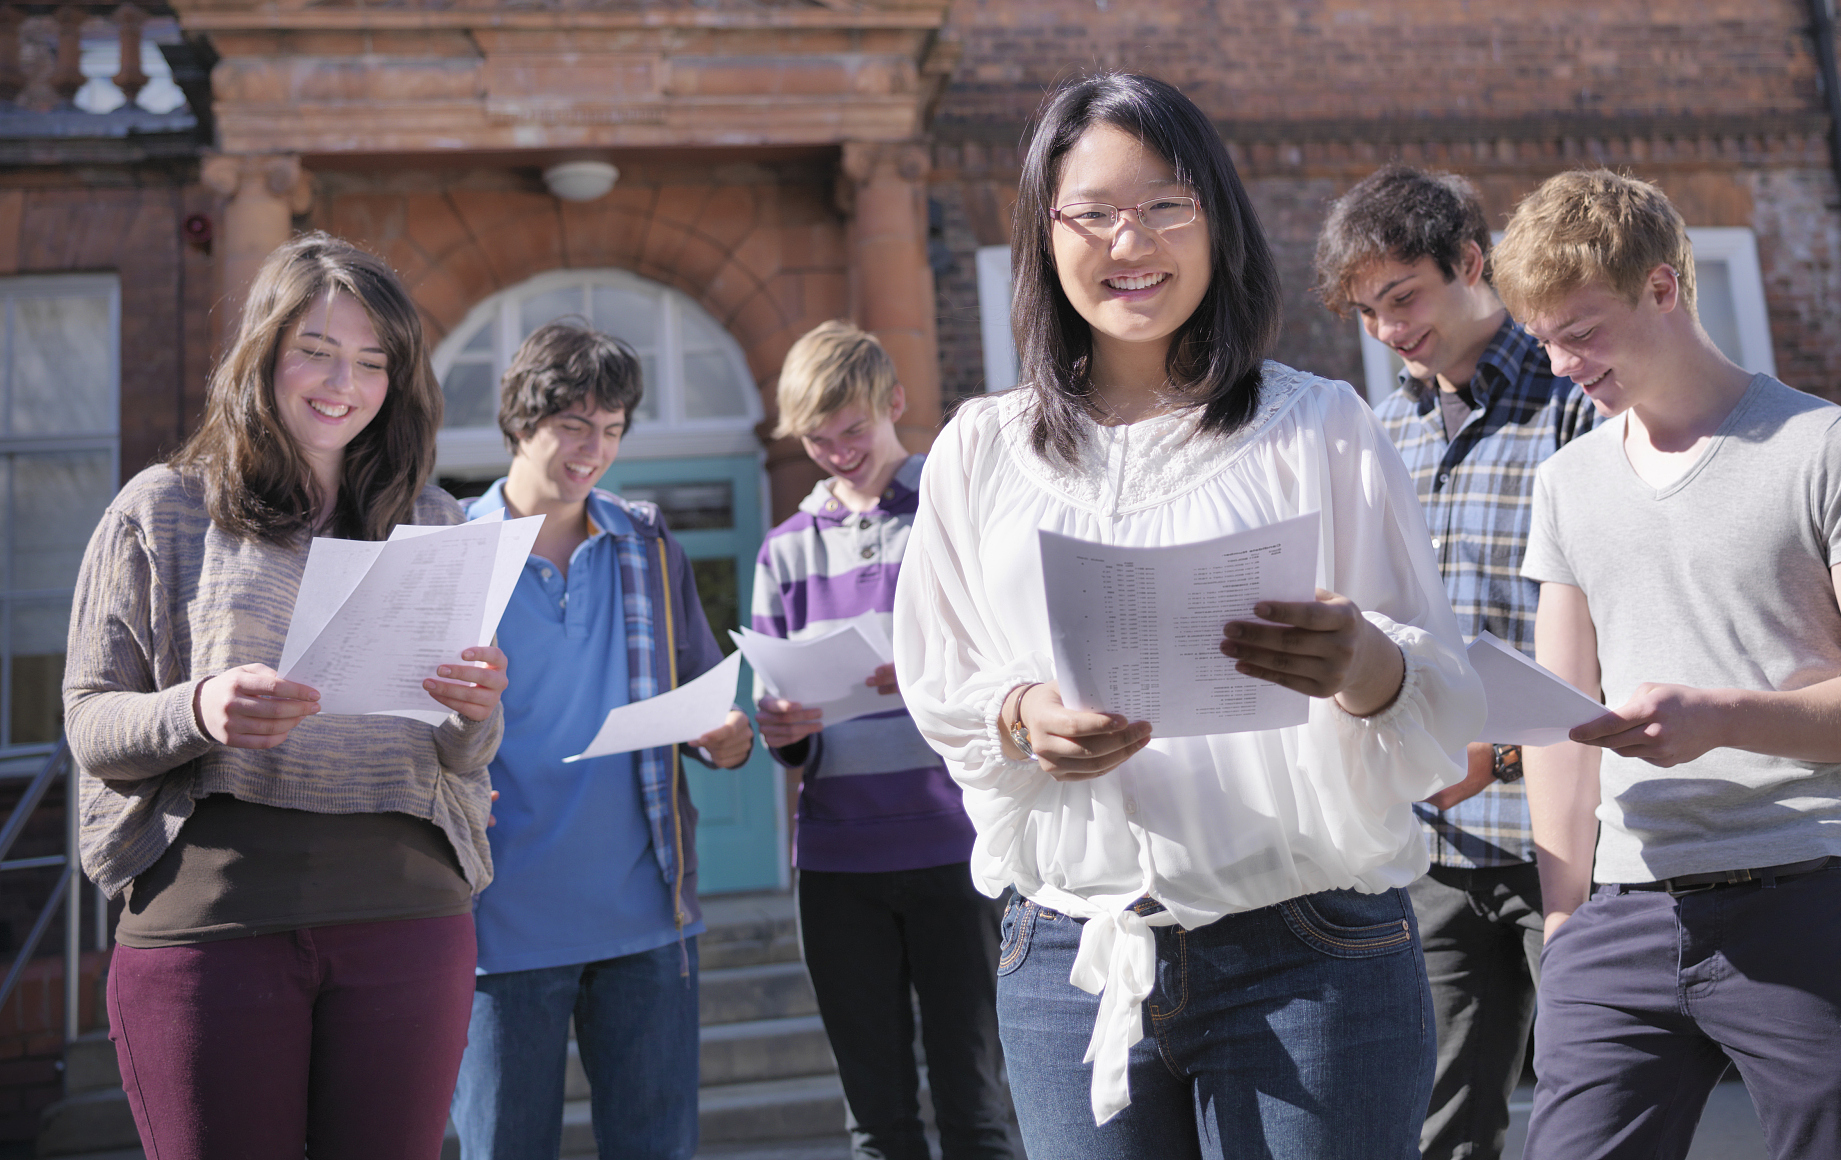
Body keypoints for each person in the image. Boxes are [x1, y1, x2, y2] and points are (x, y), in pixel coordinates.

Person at [894, 72, 1484, 1159]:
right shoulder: (980, 451)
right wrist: (1024, 714)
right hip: (1068, 962)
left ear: (1216, 221)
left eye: (1167, 204)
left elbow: (1440, 695)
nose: (1132, 240)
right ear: (1043, 231)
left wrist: (1362, 664)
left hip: (1310, 950)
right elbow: (942, 679)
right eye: (1094, 211)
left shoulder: (1318, 427)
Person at [1492, 170, 1841, 1160]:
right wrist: (1561, 915)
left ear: (1661, 289)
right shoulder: (1566, 485)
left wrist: (1720, 716)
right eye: (1543, 342)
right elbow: (1559, 722)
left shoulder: (1828, 449)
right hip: (1616, 912)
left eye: (1581, 330)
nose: (1563, 364)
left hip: (1807, 889)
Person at [64, 233, 508, 1160]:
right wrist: (198, 709)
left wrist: (477, 709)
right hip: (213, 923)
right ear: (263, 352)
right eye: (315, 349)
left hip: (409, 915)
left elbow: (465, 755)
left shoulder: (434, 519)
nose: (342, 380)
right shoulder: (162, 509)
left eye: (373, 361)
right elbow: (90, 721)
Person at [1313, 166, 1597, 1160]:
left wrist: (1506, 756)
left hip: (1571, 840)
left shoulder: (1574, 405)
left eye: (1403, 298)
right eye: (1366, 311)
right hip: (1430, 844)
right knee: (1437, 1126)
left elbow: (1618, 620)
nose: (1387, 330)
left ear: (1470, 263)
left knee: (1591, 1112)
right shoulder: (1376, 434)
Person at [450, 321, 755, 1160]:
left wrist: (725, 741)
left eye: (613, 429)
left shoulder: (648, 544)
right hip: (496, 928)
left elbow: (700, 698)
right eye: (574, 426)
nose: (594, 450)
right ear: (520, 421)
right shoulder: (451, 555)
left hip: (647, 921)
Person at [751, 320, 1012, 1160]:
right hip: (836, 865)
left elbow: (1020, 658)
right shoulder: (784, 550)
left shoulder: (955, 511)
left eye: (852, 431)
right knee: (876, 1124)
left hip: (957, 848)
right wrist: (782, 729)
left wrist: (935, 675)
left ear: (894, 402)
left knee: (976, 1106)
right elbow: (778, 705)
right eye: (816, 440)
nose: (835, 453)